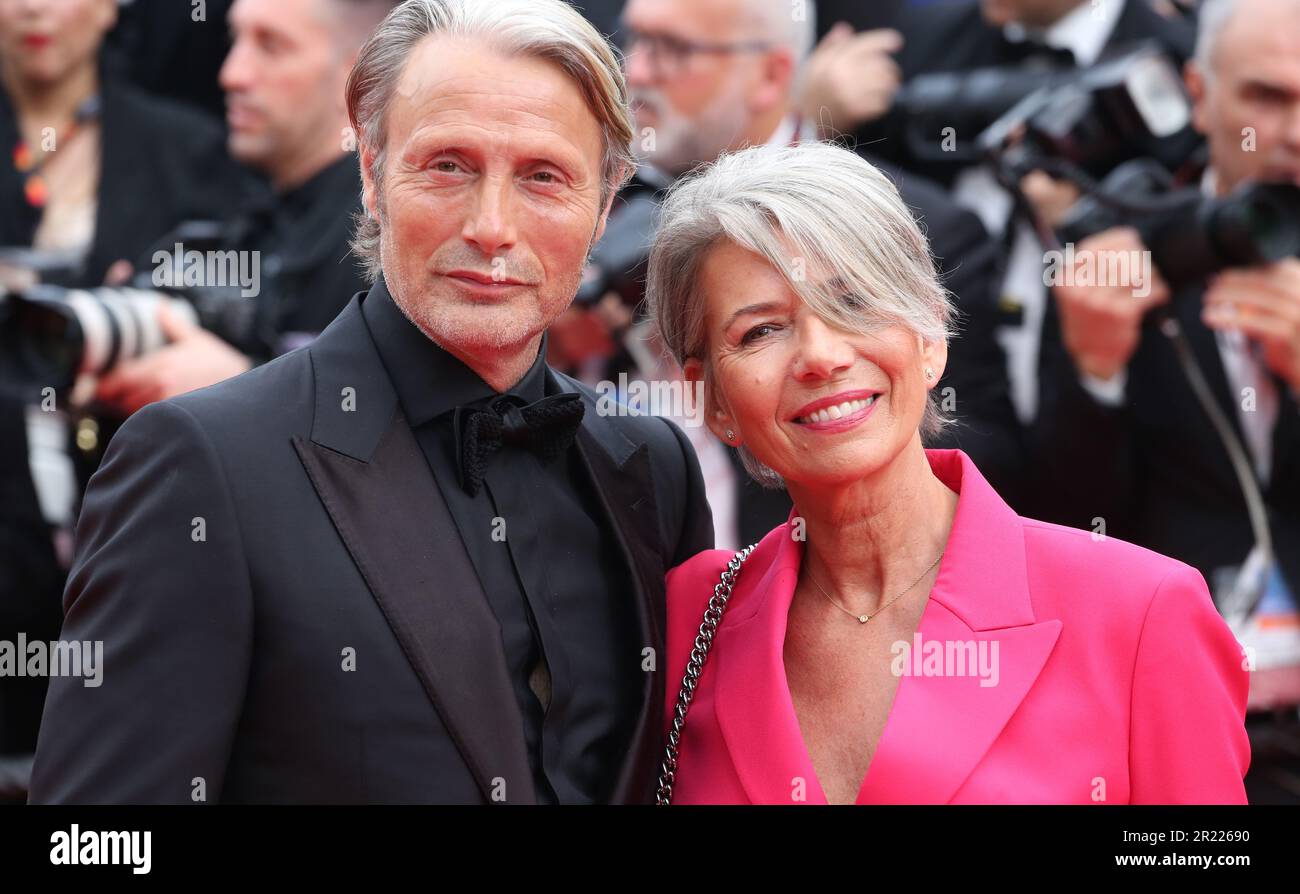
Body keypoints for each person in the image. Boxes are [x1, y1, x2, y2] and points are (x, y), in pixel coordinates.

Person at [29, 0, 712, 805]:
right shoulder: (203, 465)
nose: (491, 227)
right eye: (448, 165)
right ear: (372, 174)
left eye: (543, 177)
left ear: (604, 208)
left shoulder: (649, 468)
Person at [649, 141, 1249, 804]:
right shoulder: (688, 616)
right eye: (760, 332)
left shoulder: (1140, 613)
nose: (821, 356)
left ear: (930, 334)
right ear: (711, 400)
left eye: (853, 301)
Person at [577, 0, 1017, 549]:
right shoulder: (587, 197)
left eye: (674, 50)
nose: (637, 71)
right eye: (635, 42)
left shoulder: (923, 222)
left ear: (770, 75)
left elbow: (986, 448)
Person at [1031, 0, 1300, 801]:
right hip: (1171, 712)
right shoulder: (1127, 244)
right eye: (1267, 97)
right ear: (1196, 91)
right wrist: (1094, 369)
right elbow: (1062, 521)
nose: (1292, 130)